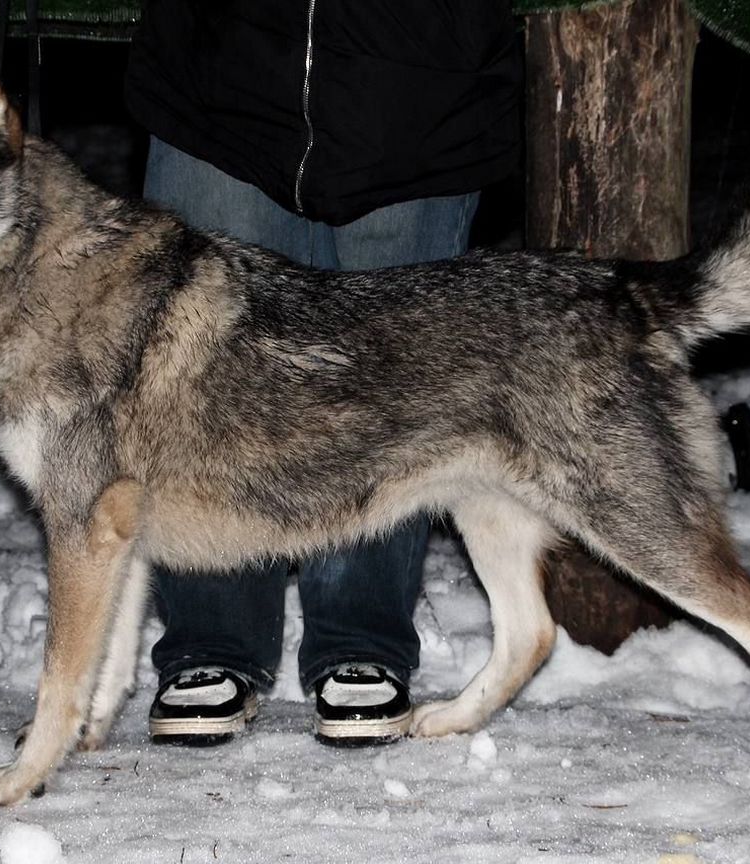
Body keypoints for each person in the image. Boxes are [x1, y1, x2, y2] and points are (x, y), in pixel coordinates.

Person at [125, 0, 521, 746]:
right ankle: (211, 640)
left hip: (419, 94)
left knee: (393, 390)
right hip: (219, 81)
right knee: (201, 378)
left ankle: (361, 639)